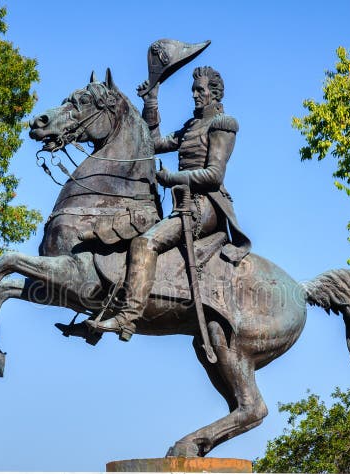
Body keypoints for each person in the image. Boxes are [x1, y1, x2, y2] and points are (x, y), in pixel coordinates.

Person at [87, 66, 251, 340]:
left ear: (214, 93)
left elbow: (214, 175)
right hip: (183, 202)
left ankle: (128, 318)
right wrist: (151, 101)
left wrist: (171, 178)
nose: (195, 95)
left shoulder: (223, 124)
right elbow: (154, 143)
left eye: (200, 90)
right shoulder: (191, 126)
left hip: (206, 206)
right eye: (193, 90)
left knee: (145, 243)